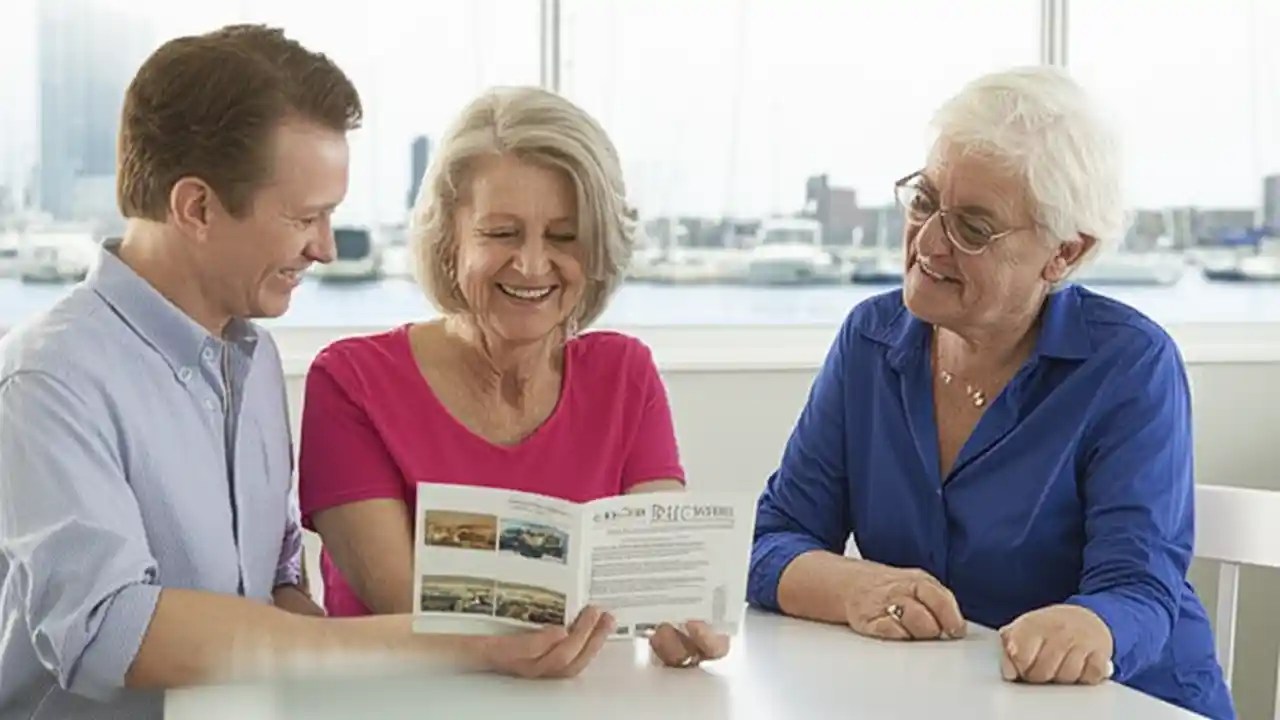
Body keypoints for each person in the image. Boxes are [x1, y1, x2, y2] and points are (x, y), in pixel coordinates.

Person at [0, 27, 615, 720]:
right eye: (306, 217)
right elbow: (110, 633)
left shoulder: (252, 358)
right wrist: (449, 642)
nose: (324, 247)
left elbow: (275, 579)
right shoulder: (49, 378)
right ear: (196, 207)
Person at [746, 66, 1234, 720]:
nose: (927, 243)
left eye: (973, 228)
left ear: (1064, 254)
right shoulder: (869, 339)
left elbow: (1139, 591)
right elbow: (774, 543)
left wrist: (1087, 627)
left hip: (1125, 703)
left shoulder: (1130, 364)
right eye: (924, 201)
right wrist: (854, 587)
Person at [296, 86, 728, 669]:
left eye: (563, 236)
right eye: (501, 233)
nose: (530, 264)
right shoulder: (351, 382)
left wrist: (679, 622)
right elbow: (404, 609)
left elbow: (659, 573)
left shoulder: (625, 374)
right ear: (450, 239)